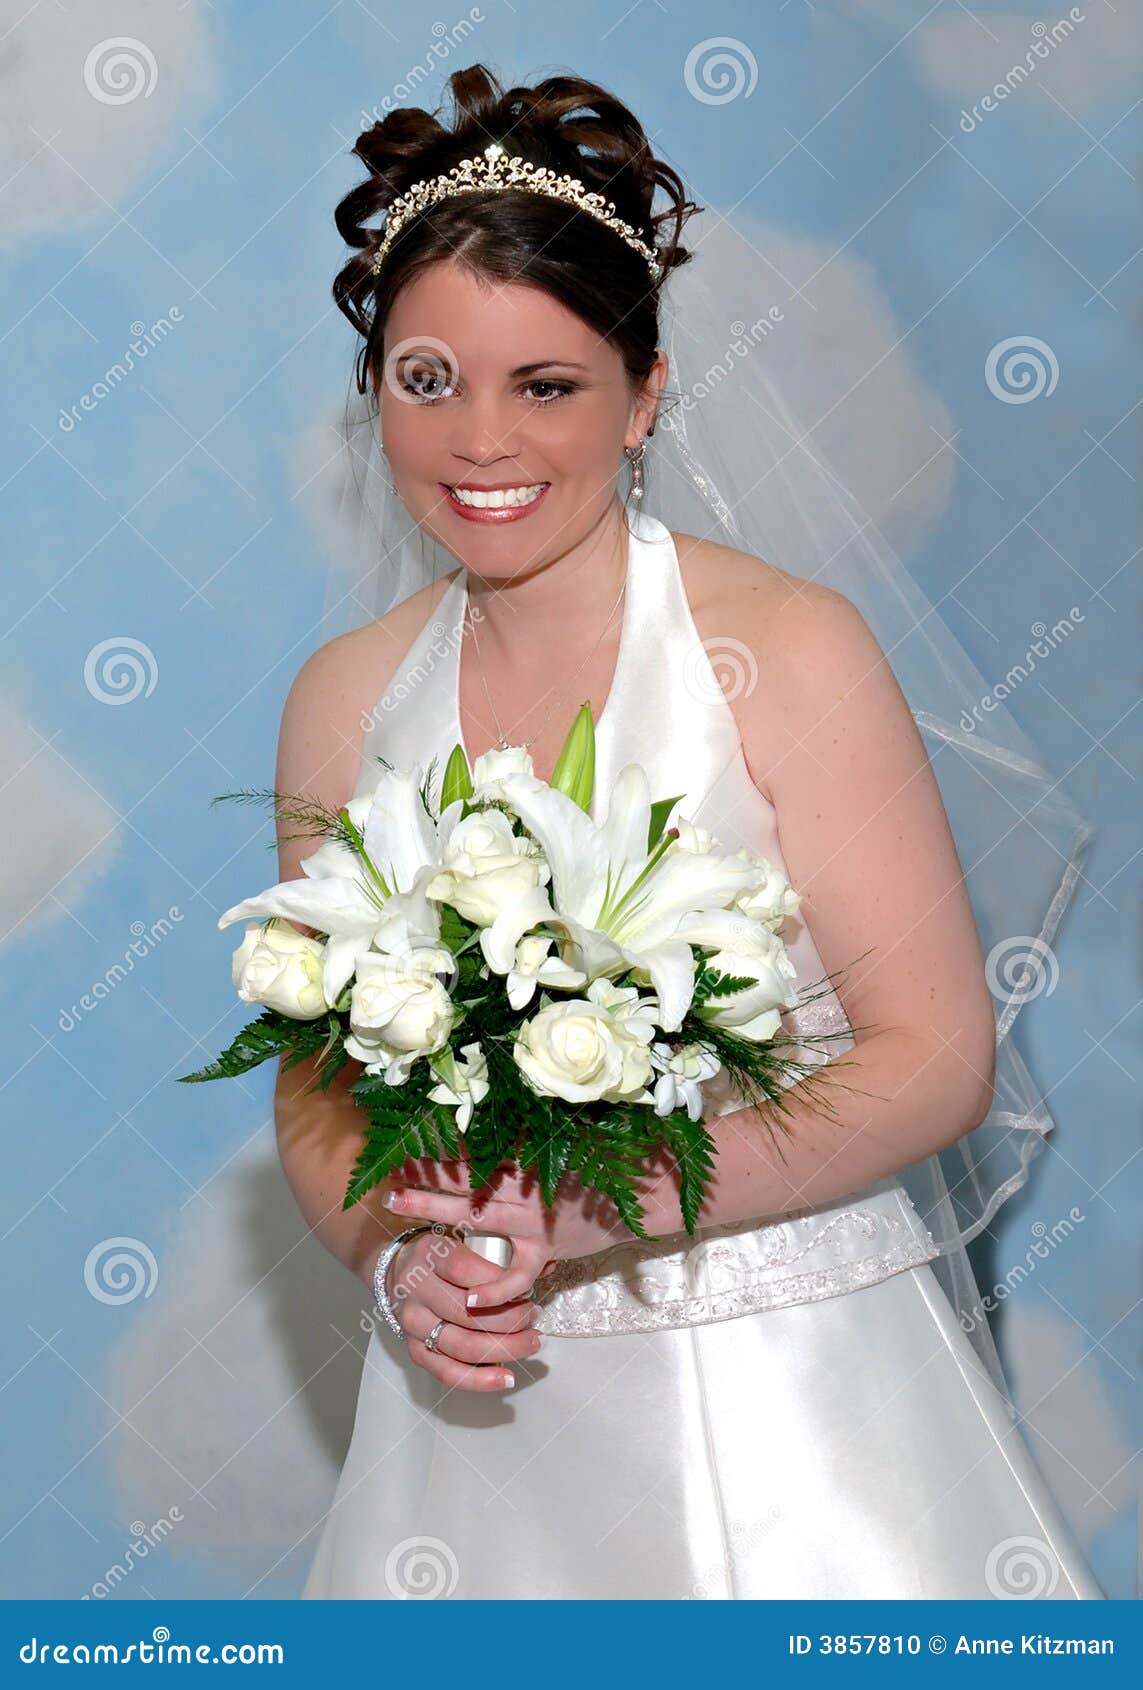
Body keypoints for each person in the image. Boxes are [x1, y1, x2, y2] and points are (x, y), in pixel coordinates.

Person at [275, 63, 1104, 1599]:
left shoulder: (784, 649)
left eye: (547, 385)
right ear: (375, 386)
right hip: (471, 1411)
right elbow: (323, 1092)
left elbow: (933, 1054)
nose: (478, 441)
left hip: (785, 1397)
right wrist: (397, 1260)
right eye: (427, 376)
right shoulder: (345, 698)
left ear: (645, 394)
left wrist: (595, 1206)